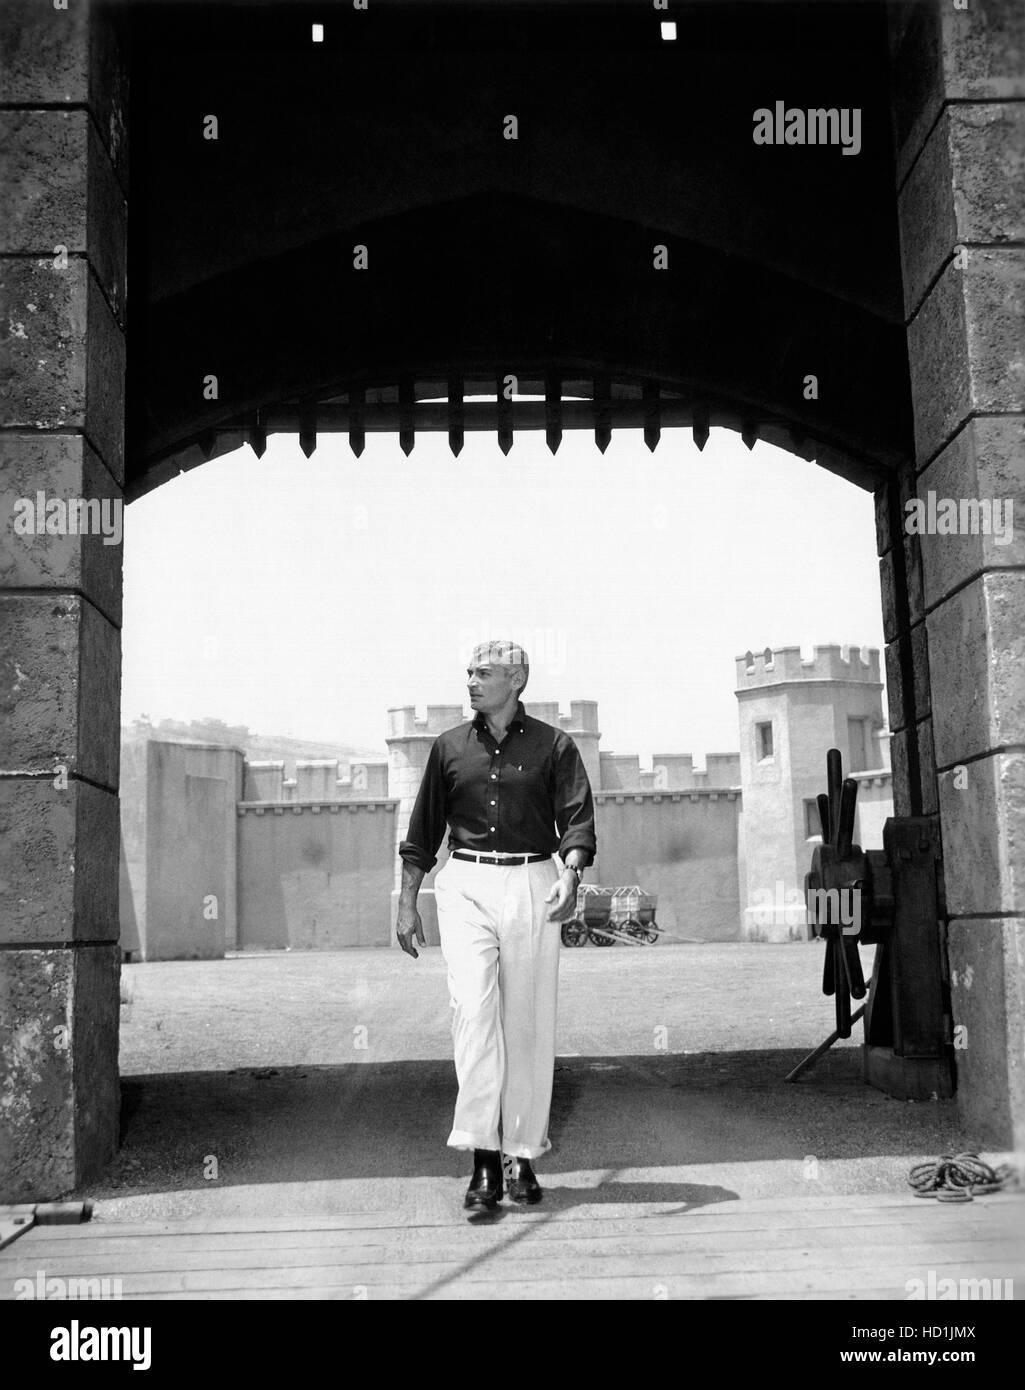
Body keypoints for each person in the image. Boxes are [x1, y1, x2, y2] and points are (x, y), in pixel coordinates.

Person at [396, 640, 597, 1210]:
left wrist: (572, 874)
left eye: (483, 673)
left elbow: (577, 819)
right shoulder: (448, 748)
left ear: (517, 680)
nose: (471, 681)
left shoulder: (555, 746)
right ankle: (484, 1159)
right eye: (468, 672)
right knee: (475, 1014)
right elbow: (422, 831)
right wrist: (409, 901)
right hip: (464, 885)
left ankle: (522, 1155)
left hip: (534, 882)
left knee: (526, 1023)